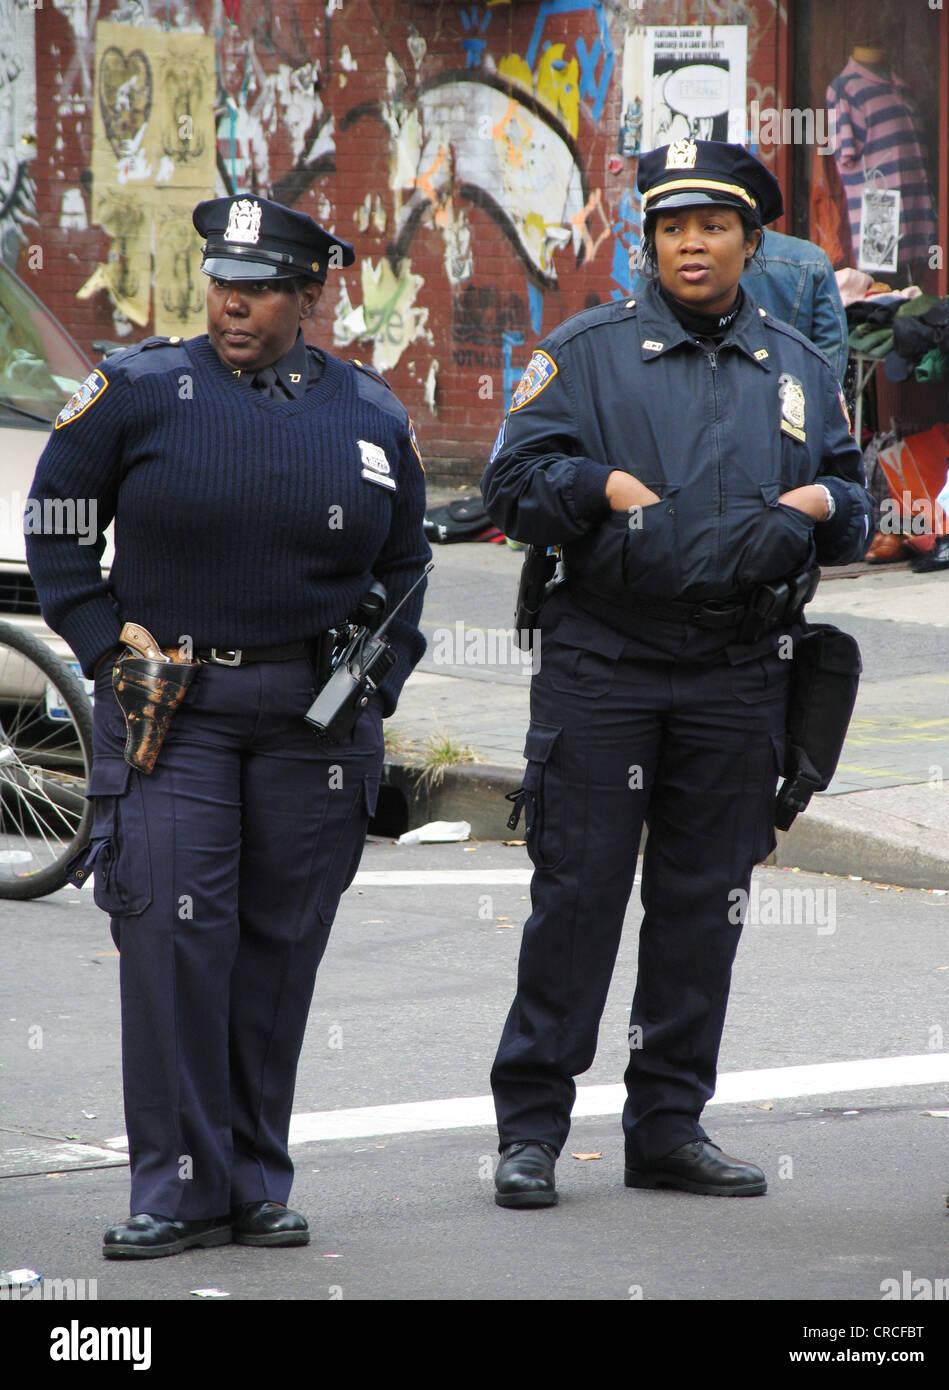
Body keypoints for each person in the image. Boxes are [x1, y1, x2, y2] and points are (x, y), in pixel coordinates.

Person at [25, 195, 430, 1257]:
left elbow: (405, 563)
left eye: (258, 288)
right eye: (221, 284)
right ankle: (177, 1189)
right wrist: (107, 651)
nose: (233, 304)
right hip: (174, 714)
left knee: (276, 950)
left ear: (309, 296)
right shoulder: (138, 391)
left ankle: (252, 1182)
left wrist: (376, 677)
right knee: (173, 940)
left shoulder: (368, 412)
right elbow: (58, 523)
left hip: (314, 721)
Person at [482, 140, 872, 1209]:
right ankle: (530, 1131)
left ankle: (666, 1127)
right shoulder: (586, 352)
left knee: (704, 907)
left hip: (740, 667)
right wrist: (597, 485)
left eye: (712, 227)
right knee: (576, 897)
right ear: (649, 242)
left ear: (752, 243)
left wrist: (821, 503)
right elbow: (508, 485)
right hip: (604, 662)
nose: (690, 245)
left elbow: (858, 501)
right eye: (670, 228)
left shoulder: (798, 365)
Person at [747, 226, 849, 380]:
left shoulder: (718, 258)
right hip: (794, 384)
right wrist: (820, 391)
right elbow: (832, 344)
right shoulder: (811, 258)